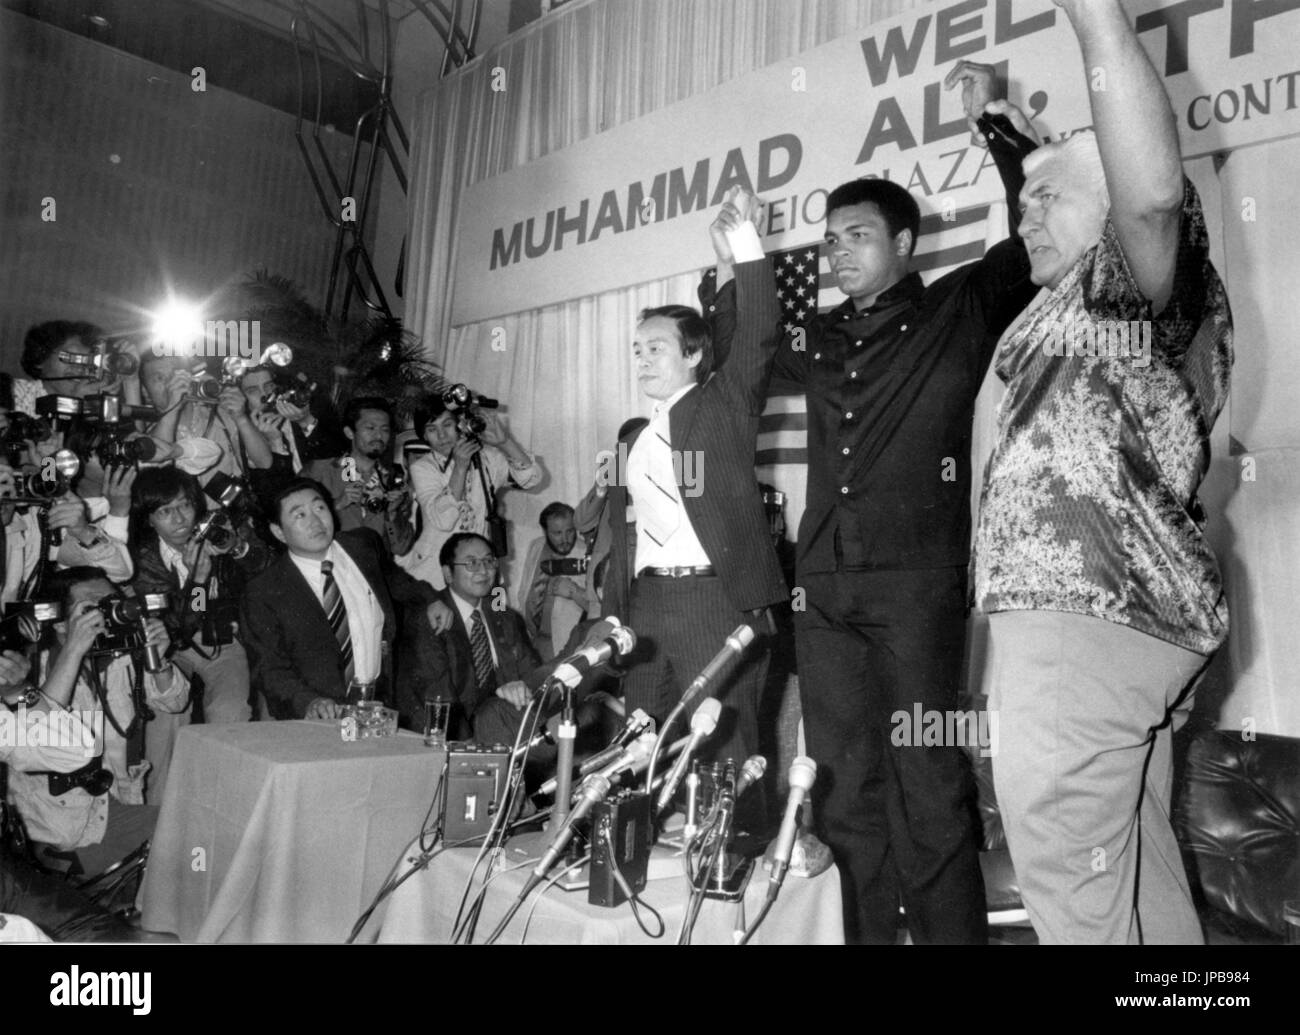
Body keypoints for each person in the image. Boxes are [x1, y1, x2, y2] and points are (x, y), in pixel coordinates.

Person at [704, 67, 1041, 942]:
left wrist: (996, 127)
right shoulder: (813, 337)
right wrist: (742, 256)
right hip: (823, 590)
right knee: (844, 785)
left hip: (919, 589)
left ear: (905, 244)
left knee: (929, 778)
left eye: (859, 235)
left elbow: (1034, 239)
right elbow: (740, 352)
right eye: (830, 240)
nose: (840, 251)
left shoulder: (959, 311)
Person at [971, 0, 1233, 945]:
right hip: (1128, 616)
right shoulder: (1082, 306)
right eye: (1020, 196)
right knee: (1138, 879)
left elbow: (1151, 192)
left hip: (1086, 610)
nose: (1023, 212)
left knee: (1075, 897)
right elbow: (1061, 174)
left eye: (1048, 196)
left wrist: (1095, 24)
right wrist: (1005, 132)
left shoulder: (1133, 279)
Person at [599, 189, 788, 833]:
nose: (644, 357)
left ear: (694, 356)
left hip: (714, 602)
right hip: (649, 605)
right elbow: (631, 538)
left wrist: (741, 252)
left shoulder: (721, 406)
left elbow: (757, 330)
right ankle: (622, 861)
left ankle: (728, 875)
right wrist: (618, 609)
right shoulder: (640, 436)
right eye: (638, 348)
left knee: (724, 751)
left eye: (657, 346)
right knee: (638, 741)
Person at [5, 566, 188, 877]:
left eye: (112, 602)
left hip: (112, 804)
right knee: (179, 849)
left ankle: (160, 910)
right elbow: (41, 734)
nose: (108, 613)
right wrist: (75, 648)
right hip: (57, 829)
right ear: (61, 623)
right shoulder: (28, 669)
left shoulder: (121, 655)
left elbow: (176, 701)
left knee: (199, 840)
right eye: (92, 607)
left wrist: (160, 660)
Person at [241, 477, 440, 719]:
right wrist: (308, 702)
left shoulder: (362, 545)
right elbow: (268, 668)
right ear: (278, 532)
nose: (315, 521)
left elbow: (396, 580)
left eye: (320, 507)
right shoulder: (264, 591)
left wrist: (431, 599)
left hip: (380, 704)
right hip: (318, 718)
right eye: (300, 515)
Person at [130, 467, 272, 725]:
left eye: (185, 505)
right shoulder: (143, 558)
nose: (180, 519)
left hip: (221, 635)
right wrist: (198, 584)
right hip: (171, 642)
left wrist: (235, 546)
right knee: (164, 715)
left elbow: (268, 566)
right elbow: (175, 627)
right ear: (149, 519)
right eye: (165, 511)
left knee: (230, 712)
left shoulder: (218, 525)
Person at [396, 532, 541, 744]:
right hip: (454, 740)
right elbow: (437, 697)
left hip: (507, 733)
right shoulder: (431, 618)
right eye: (471, 563)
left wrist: (520, 688)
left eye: (488, 561)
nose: (483, 570)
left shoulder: (506, 617)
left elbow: (533, 674)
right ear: (448, 573)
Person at [402, 397, 542, 590]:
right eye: (432, 429)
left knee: (498, 614)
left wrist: (505, 442)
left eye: (447, 425)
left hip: (482, 570)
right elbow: (443, 520)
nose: (442, 436)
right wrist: (460, 467)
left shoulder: (486, 457)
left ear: (460, 425)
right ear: (424, 436)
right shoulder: (423, 467)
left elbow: (531, 478)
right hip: (435, 575)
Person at [305, 397, 414, 557]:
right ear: (350, 432)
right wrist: (337, 505)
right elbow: (294, 524)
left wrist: (392, 513)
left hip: (372, 576)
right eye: (370, 428)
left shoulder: (393, 481)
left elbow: (401, 548)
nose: (378, 436)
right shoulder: (320, 471)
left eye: (385, 429)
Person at [139, 352, 273, 482]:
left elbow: (264, 462)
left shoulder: (220, 414)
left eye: (175, 374)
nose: (171, 383)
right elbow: (158, 479)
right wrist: (173, 407)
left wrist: (241, 418)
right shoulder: (146, 436)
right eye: (159, 378)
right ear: (145, 391)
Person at [241, 362, 346, 474]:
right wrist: (276, 443)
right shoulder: (244, 436)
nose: (264, 395)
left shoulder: (307, 409)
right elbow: (271, 485)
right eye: (252, 391)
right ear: (242, 399)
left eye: (269, 386)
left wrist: (306, 422)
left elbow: (340, 456)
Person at [520, 502, 593, 660]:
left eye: (570, 531)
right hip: (532, 643)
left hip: (565, 647)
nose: (565, 539)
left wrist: (574, 591)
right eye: (557, 533)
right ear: (545, 531)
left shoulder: (587, 555)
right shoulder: (536, 546)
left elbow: (600, 608)